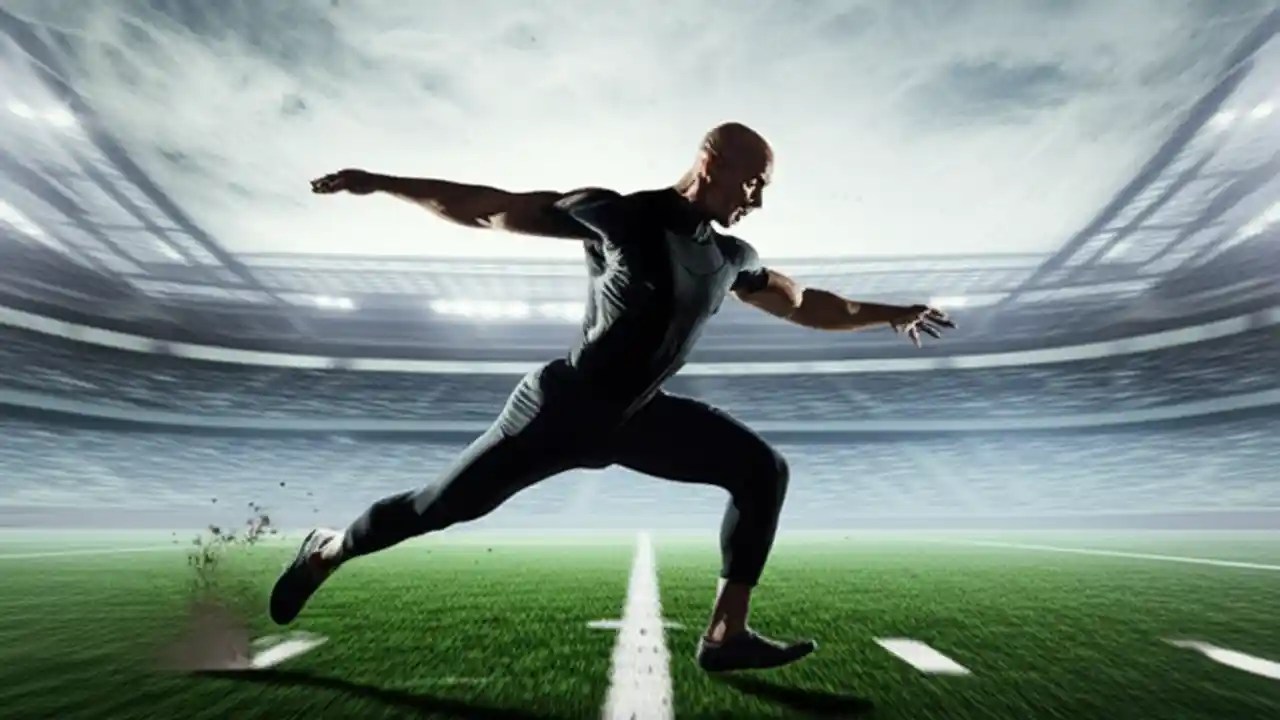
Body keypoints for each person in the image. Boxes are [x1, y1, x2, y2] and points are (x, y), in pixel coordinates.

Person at [269, 122, 954, 672]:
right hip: (559, 410)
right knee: (435, 509)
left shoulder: (733, 257)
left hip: (638, 419)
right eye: (754, 182)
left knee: (762, 470)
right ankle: (328, 549)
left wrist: (891, 312)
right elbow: (488, 208)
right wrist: (381, 182)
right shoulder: (619, 216)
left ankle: (725, 636)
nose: (759, 199)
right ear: (709, 162)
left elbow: (808, 303)